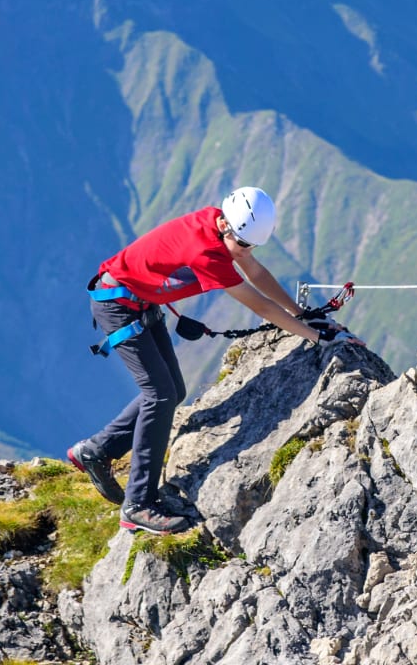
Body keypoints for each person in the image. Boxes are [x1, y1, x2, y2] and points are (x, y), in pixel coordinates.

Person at [66, 187, 334, 534]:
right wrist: (316, 336)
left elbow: (254, 270)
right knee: (159, 395)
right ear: (226, 227)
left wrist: (303, 314)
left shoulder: (220, 227)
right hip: (118, 306)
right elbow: (259, 305)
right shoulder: (207, 252)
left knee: (173, 392)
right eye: (243, 244)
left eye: (251, 245)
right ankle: (138, 504)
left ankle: (96, 451)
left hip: (135, 302)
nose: (246, 251)